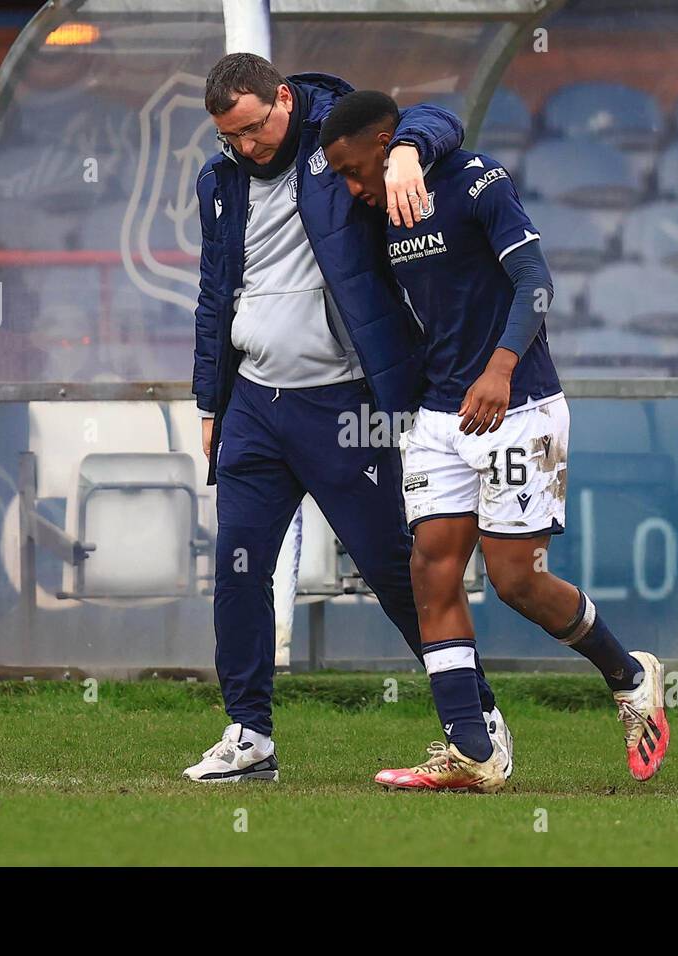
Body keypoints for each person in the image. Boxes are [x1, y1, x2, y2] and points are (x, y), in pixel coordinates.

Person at [319, 91, 669, 794]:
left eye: (357, 169)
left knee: (516, 581)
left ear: (391, 143)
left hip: (518, 406)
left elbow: (535, 281)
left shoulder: (476, 180)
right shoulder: (376, 218)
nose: (354, 188)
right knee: (432, 572)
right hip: (437, 416)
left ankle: (631, 676)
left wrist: (501, 367)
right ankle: (473, 751)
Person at [183, 54, 512, 784]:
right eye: (228, 137)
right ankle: (249, 735)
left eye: (251, 130)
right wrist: (210, 400)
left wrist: (403, 154)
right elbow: (213, 296)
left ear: (280, 101)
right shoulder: (217, 183)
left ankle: (475, 720)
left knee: (398, 571)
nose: (243, 147)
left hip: (344, 402)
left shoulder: (337, 143)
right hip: (253, 406)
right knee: (238, 566)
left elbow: (439, 118)